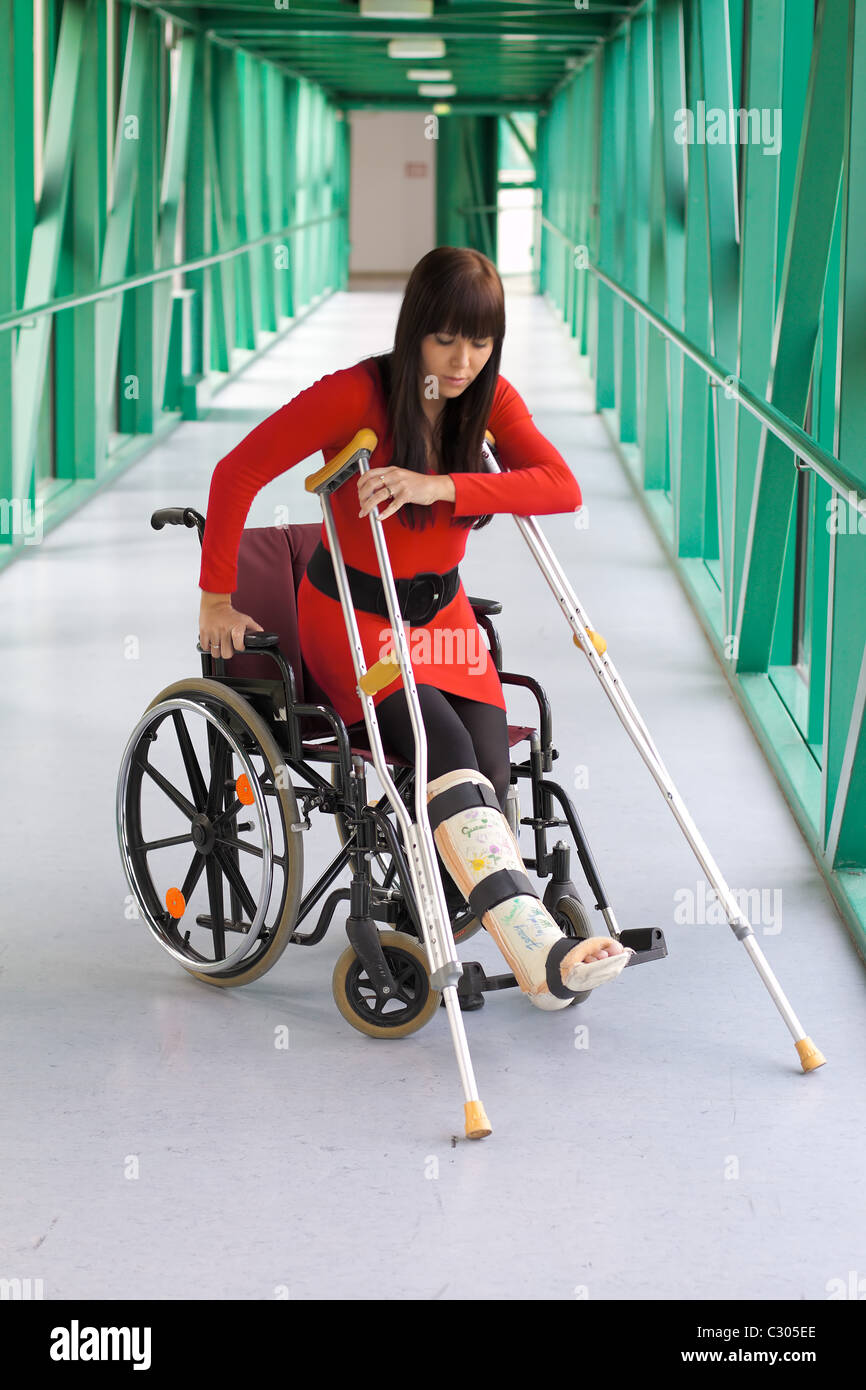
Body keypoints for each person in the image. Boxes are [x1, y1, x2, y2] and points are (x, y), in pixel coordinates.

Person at [198, 245, 631, 1009]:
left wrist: (439, 483)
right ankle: (544, 956)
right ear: (414, 331)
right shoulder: (356, 395)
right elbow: (236, 471)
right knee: (448, 750)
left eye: (482, 341)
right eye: (446, 339)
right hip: (358, 624)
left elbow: (561, 488)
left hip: (447, 623)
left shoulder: (487, 400)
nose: (464, 360)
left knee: (491, 777)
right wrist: (215, 601)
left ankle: (508, 930)